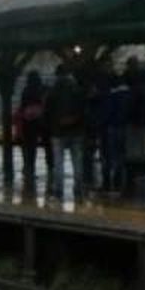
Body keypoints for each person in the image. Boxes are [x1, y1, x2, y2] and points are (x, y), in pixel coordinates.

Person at [44, 64, 87, 201]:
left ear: (57, 74)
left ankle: (58, 191)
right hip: (76, 131)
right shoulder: (78, 90)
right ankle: (78, 189)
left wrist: (51, 126)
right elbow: (84, 111)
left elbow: (47, 112)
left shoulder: (52, 91)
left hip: (58, 131)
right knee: (77, 162)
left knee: (58, 163)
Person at [123, 56, 145, 159]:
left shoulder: (126, 79)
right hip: (144, 116)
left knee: (132, 144)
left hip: (131, 117)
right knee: (144, 141)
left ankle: (135, 163)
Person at [18, 70, 49, 188]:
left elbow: (22, 105)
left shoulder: (26, 90)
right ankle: (50, 168)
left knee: (29, 148)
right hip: (42, 121)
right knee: (47, 146)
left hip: (28, 122)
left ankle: (29, 169)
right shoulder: (43, 89)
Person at [101, 71, 131, 192]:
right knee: (121, 154)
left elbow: (107, 113)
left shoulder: (112, 96)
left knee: (109, 155)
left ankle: (109, 182)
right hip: (125, 127)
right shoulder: (130, 95)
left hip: (112, 127)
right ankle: (119, 180)